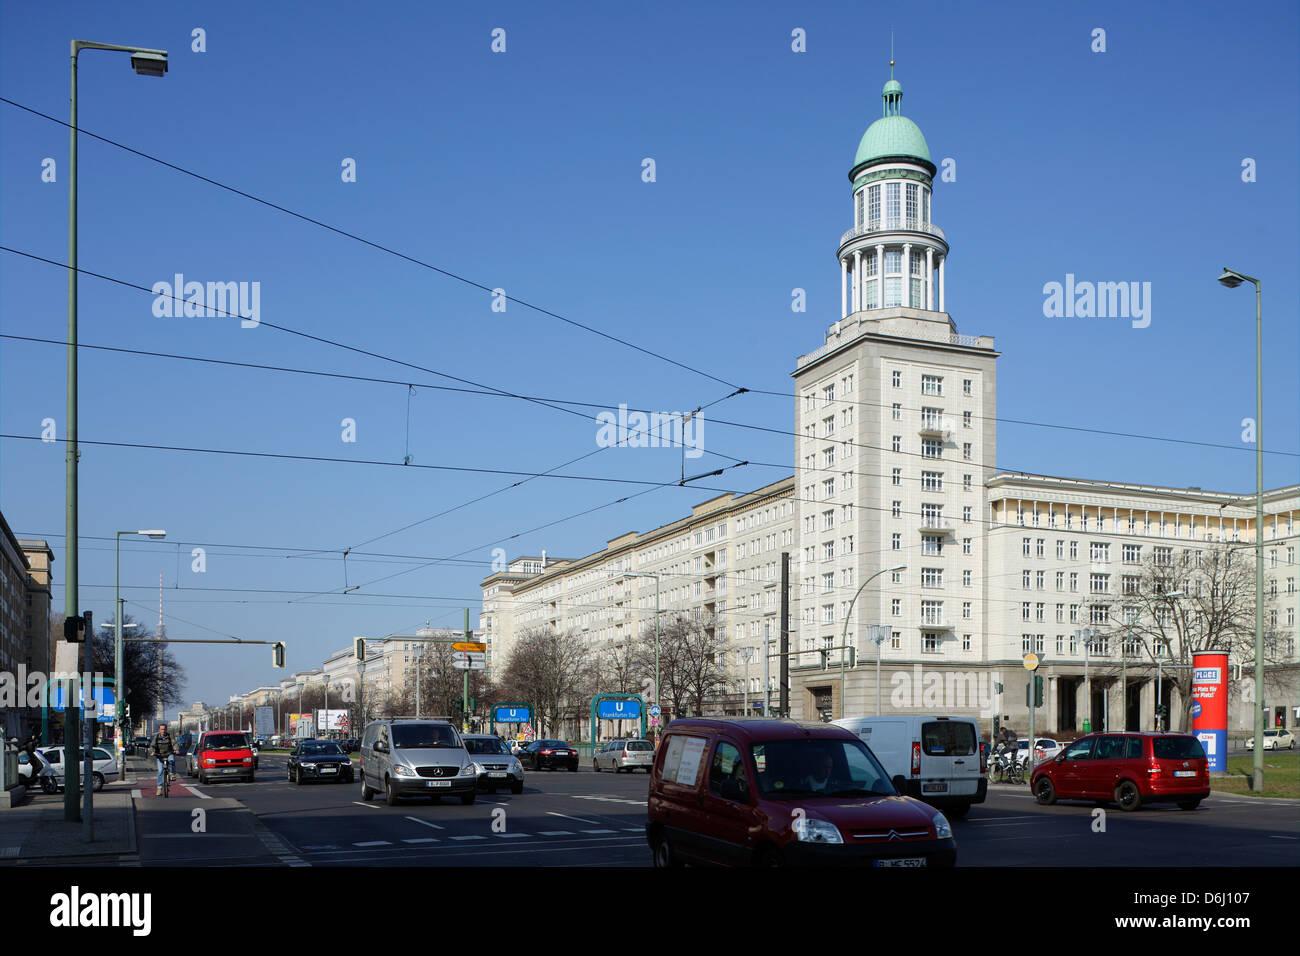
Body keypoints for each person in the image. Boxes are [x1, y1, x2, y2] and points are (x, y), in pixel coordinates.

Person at [150, 722, 176, 793]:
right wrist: (152, 751)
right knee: (160, 771)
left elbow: (174, 743)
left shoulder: (169, 736)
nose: (163, 731)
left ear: (166, 729)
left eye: (164, 729)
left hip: (169, 753)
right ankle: (159, 788)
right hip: (160, 755)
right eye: (161, 729)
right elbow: (152, 745)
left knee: (171, 760)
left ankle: (172, 774)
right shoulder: (157, 737)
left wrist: (176, 749)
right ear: (159, 730)